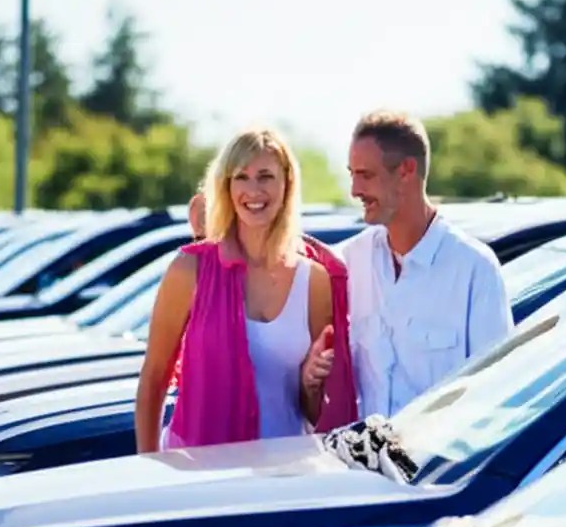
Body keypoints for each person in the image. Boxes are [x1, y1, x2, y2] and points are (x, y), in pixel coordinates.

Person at [135, 127, 358, 451]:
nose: (254, 190)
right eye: (242, 177)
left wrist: (310, 384)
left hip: (286, 471)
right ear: (226, 186)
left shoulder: (315, 280)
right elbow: (154, 377)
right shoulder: (189, 269)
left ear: (287, 184)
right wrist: (147, 465)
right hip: (198, 469)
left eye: (266, 176)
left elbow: (313, 410)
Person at [302, 110, 513, 421]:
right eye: (352, 174)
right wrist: (310, 374)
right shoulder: (348, 262)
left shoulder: (475, 270)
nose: (354, 190)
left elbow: (495, 397)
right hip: (361, 466)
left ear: (406, 171)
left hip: (438, 467)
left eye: (366, 175)